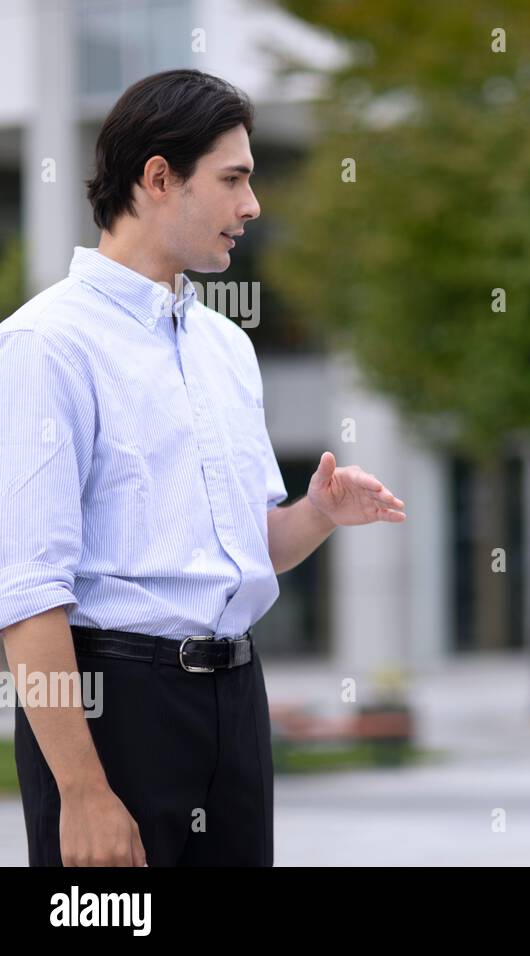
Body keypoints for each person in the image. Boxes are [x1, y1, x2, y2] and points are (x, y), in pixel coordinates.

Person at [0, 69, 406, 867]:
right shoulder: (46, 345)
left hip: (236, 705)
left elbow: (256, 548)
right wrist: (81, 792)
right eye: (233, 179)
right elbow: (25, 595)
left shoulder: (227, 347)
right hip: (116, 710)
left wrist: (317, 513)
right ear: (158, 178)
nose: (252, 206)